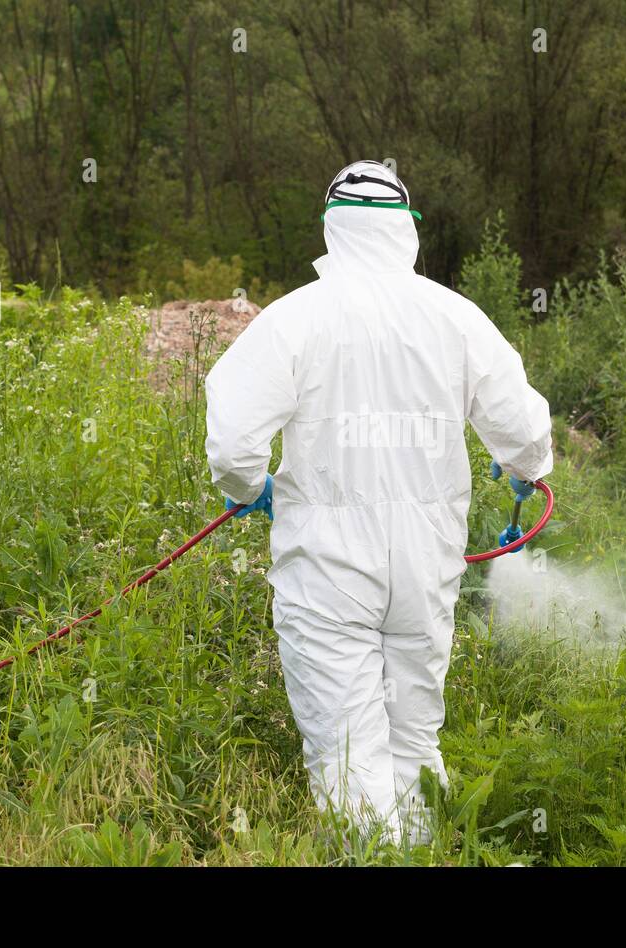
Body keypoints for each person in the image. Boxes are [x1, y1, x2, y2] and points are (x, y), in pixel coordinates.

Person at [204, 160, 553, 846]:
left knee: (346, 750)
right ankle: (426, 853)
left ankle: (371, 856)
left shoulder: (296, 318)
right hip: (427, 568)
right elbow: (525, 430)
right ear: (407, 231)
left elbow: (233, 444)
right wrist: (523, 471)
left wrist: (252, 492)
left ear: (333, 228)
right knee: (414, 738)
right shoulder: (455, 316)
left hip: (329, 570)